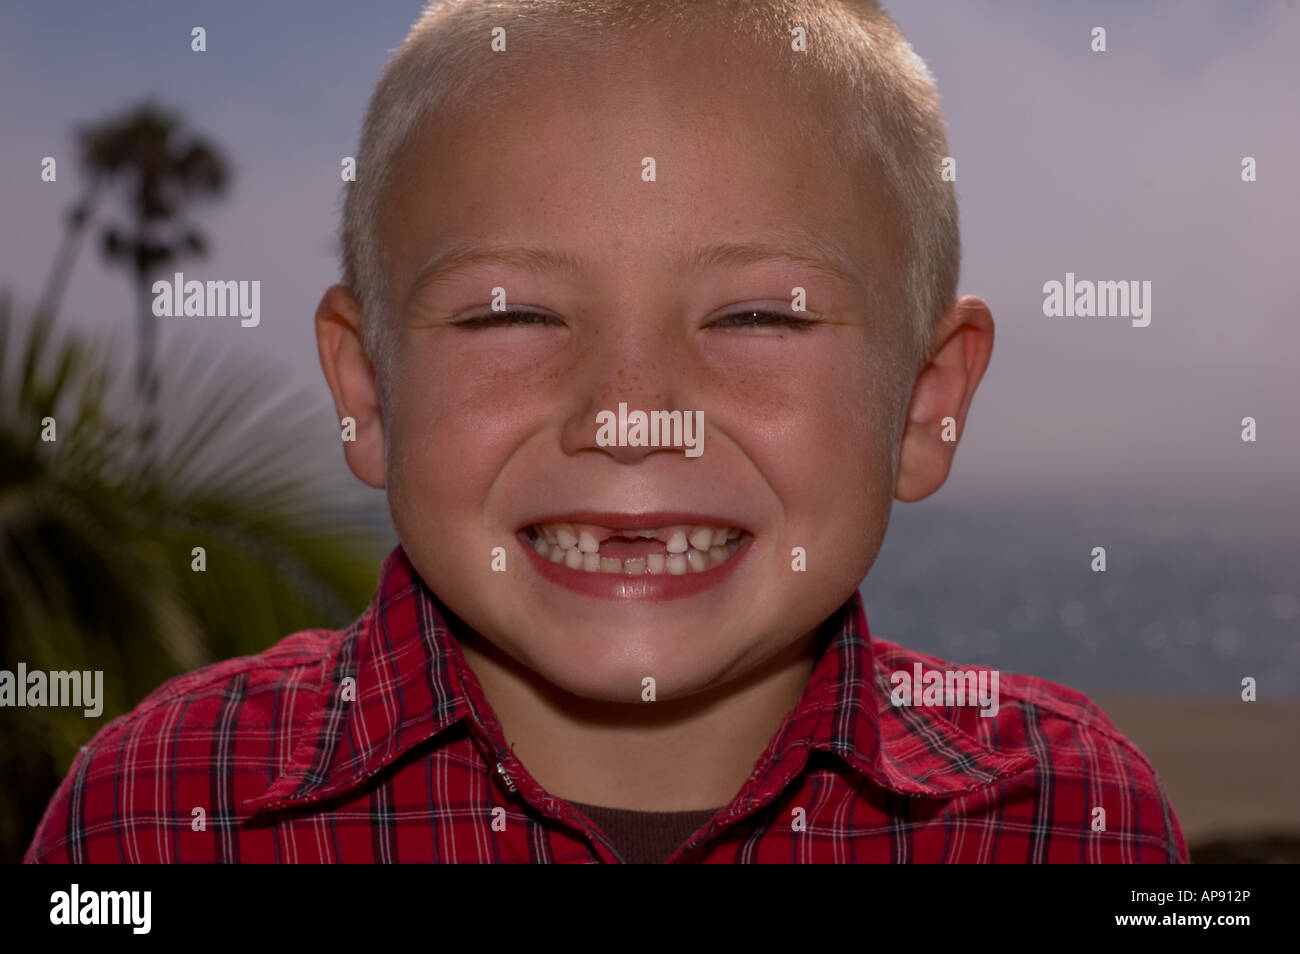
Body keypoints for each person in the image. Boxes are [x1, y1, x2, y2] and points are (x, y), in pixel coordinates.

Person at [26, 0, 1186, 863]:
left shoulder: (1072, 819)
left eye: (753, 316)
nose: (630, 415)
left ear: (927, 403)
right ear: (368, 391)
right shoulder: (160, 809)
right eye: (511, 313)